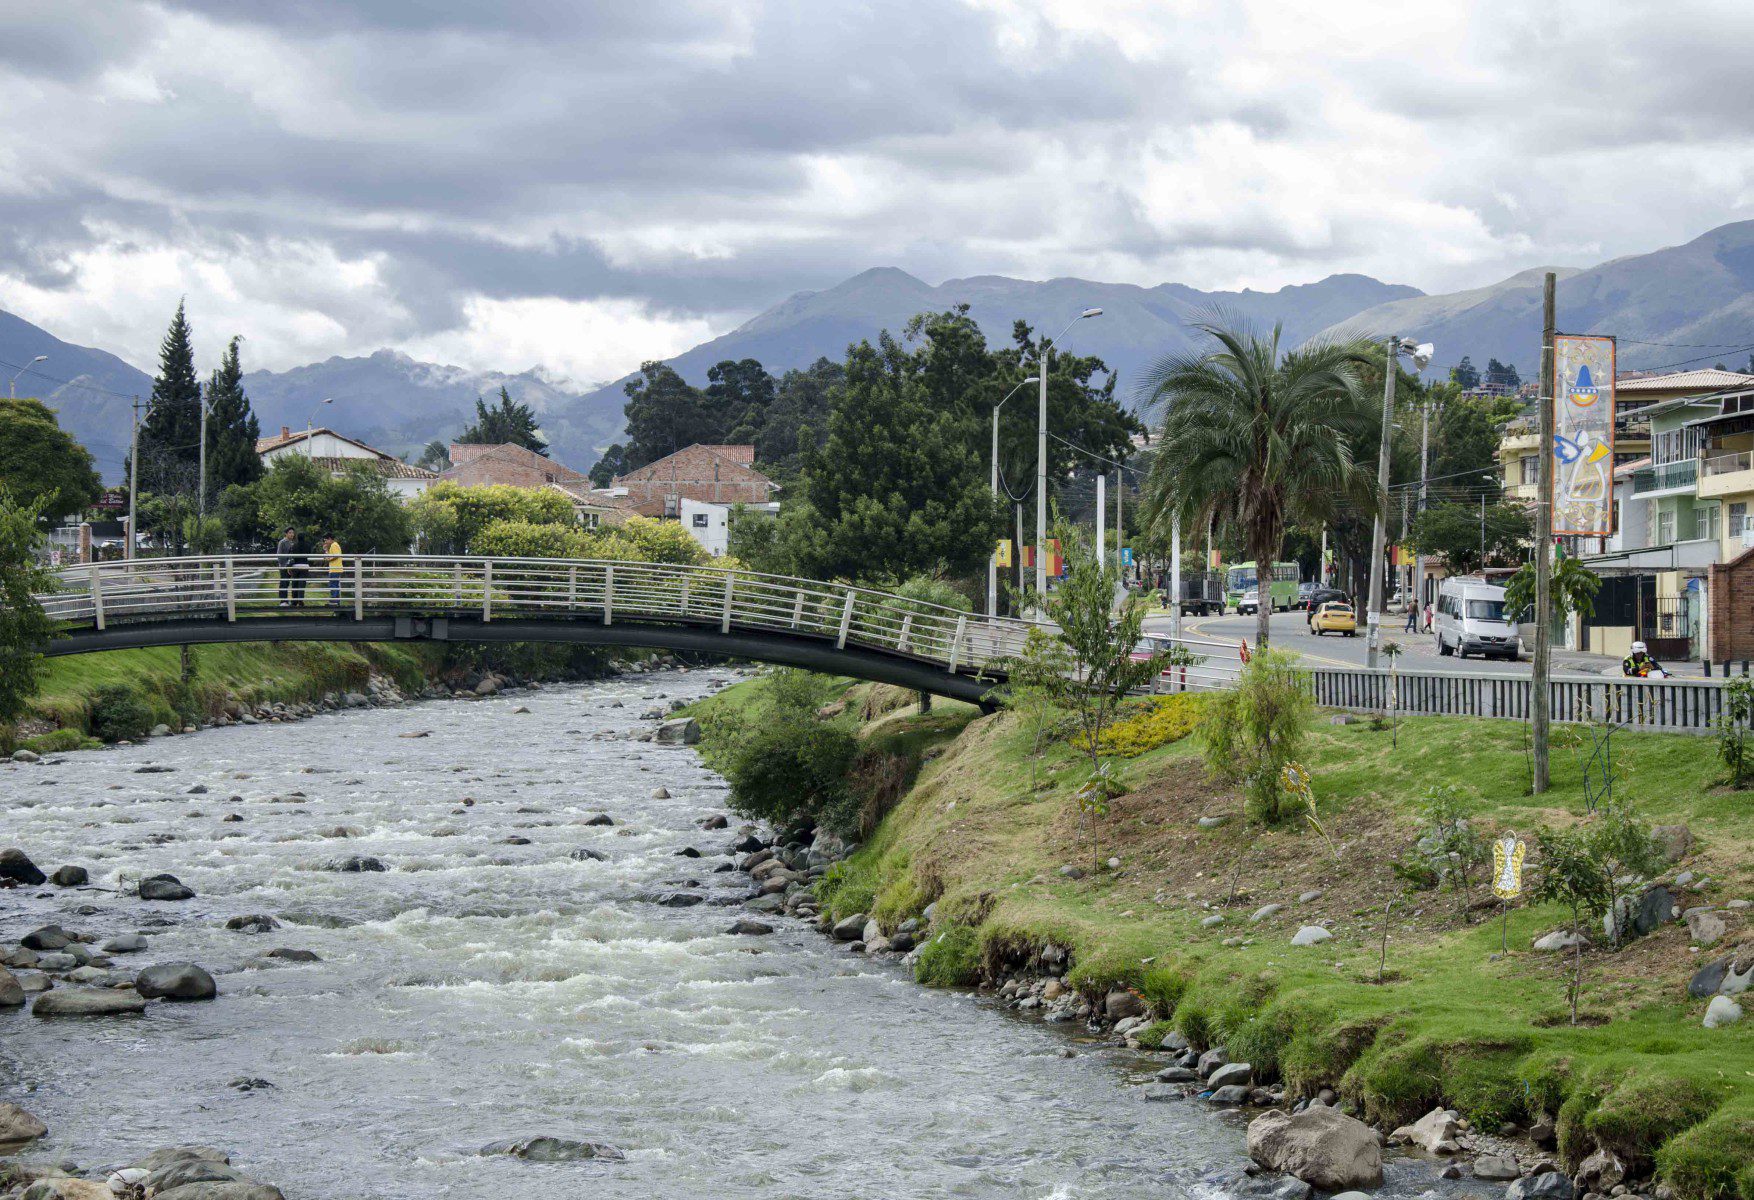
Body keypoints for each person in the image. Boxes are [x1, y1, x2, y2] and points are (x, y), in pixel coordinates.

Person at [276, 527, 299, 607]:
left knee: (289, 583)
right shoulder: (282, 542)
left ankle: (289, 601)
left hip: (291, 566)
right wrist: (286, 565)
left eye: (293, 533)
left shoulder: (293, 542)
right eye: (290, 533)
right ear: (286, 534)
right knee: (283, 583)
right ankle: (283, 601)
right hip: (284, 566)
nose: (292, 534)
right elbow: (279, 555)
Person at [324, 533, 344, 607]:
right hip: (335, 568)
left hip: (335, 568)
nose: (325, 542)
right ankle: (336, 601)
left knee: (333, 584)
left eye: (326, 540)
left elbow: (336, 555)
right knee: (334, 584)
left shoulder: (334, 545)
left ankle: (334, 600)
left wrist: (329, 559)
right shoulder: (334, 545)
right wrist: (326, 550)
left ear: (329, 539)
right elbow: (330, 556)